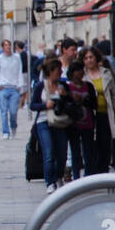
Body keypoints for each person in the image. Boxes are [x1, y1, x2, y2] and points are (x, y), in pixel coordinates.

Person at [30, 58, 73, 194]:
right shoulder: (40, 86)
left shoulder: (63, 85)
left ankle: (59, 176)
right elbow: (32, 105)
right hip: (43, 122)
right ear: (50, 72)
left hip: (60, 122)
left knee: (61, 155)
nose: (60, 72)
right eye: (57, 70)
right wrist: (44, 105)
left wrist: (65, 96)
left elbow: (71, 104)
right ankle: (50, 182)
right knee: (49, 154)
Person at [80, 46, 115, 174]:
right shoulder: (82, 75)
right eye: (86, 58)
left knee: (105, 144)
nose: (89, 60)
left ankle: (103, 172)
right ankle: (92, 173)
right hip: (89, 116)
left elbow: (114, 94)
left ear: (96, 58)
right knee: (91, 146)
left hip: (105, 114)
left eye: (91, 57)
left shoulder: (106, 73)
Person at [0, 38, 24, 138]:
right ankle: (5, 132)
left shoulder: (17, 57)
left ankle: (13, 126)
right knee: (4, 112)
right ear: (3, 47)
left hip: (14, 88)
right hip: (3, 88)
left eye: (9, 45)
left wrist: (20, 85)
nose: (8, 47)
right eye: (6, 45)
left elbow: (19, 71)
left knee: (13, 111)